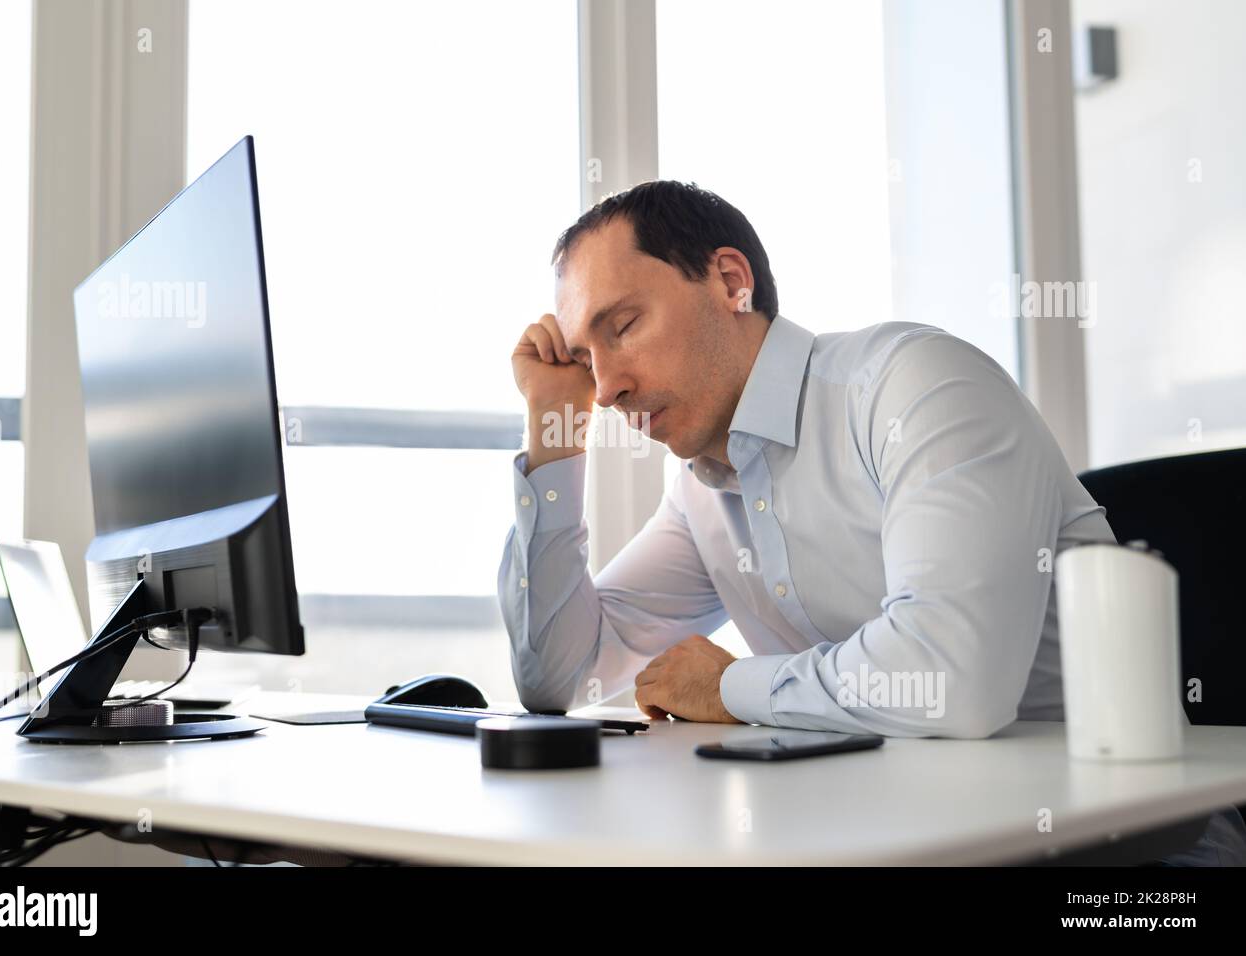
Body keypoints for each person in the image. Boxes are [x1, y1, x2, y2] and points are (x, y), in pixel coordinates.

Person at [497, 180, 1245, 866]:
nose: (609, 387)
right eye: (587, 359)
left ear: (730, 281)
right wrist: (554, 435)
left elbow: (953, 678)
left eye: (622, 327)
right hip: (888, 840)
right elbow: (562, 677)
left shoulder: (912, 386)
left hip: (1121, 857)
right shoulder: (702, 495)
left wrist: (732, 689)